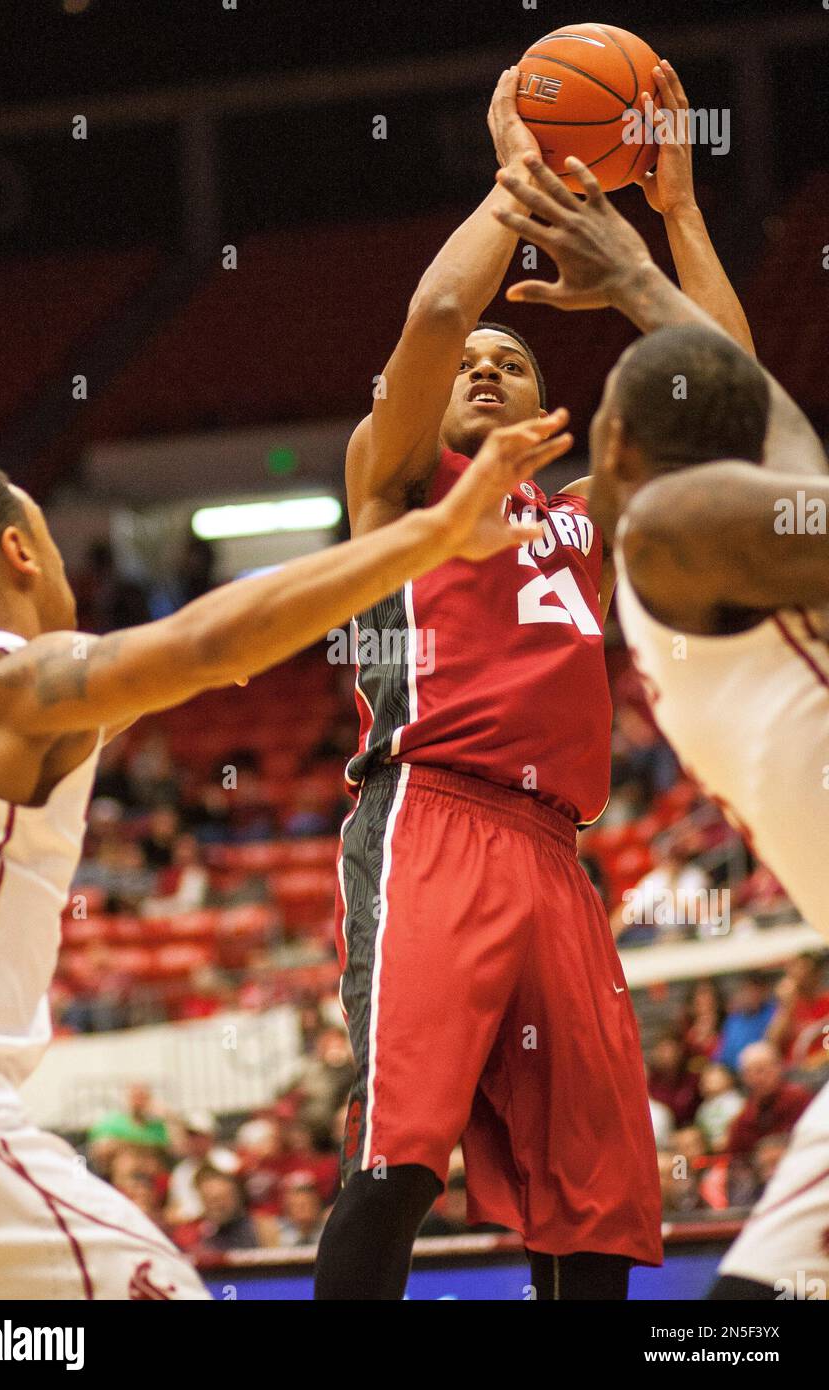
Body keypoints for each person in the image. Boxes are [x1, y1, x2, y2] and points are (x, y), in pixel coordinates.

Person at [0, 420, 551, 1300]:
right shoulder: (4, 679)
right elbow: (207, 648)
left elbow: (176, 678)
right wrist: (433, 535)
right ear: (21, 552)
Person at [316, 61, 753, 1301]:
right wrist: (517, 182)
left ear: (553, 404)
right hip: (429, 817)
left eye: (514, 358)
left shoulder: (581, 515)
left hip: (555, 850)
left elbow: (724, 396)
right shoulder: (394, 485)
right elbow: (431, 322)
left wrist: (672, 216)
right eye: (473, 361)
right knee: (399, 1149)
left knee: (600, 1199)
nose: (486, 364)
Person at [494, 136, 829, 1299]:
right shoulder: (725, 513)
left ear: (615, 443)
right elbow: (758, 407)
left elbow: (747, 425)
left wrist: (640, 272)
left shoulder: (671, 523)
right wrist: (667, 226)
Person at [724, 1043, 812, 1158]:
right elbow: (736, 1159)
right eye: (749, 1073)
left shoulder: (799, 1099)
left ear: (779, 1068)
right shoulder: (743, 1119)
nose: (757, 1079)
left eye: (762, 1070)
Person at [718, 976, 777, 1074]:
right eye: (748, 990)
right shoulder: (733, 1019)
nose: (751, 995)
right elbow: (722, 1054)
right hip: (731, 1073)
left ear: (765, 992)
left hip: (759, 1072)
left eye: (756, 991)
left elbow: (771, 1043)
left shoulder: (773, 1013)